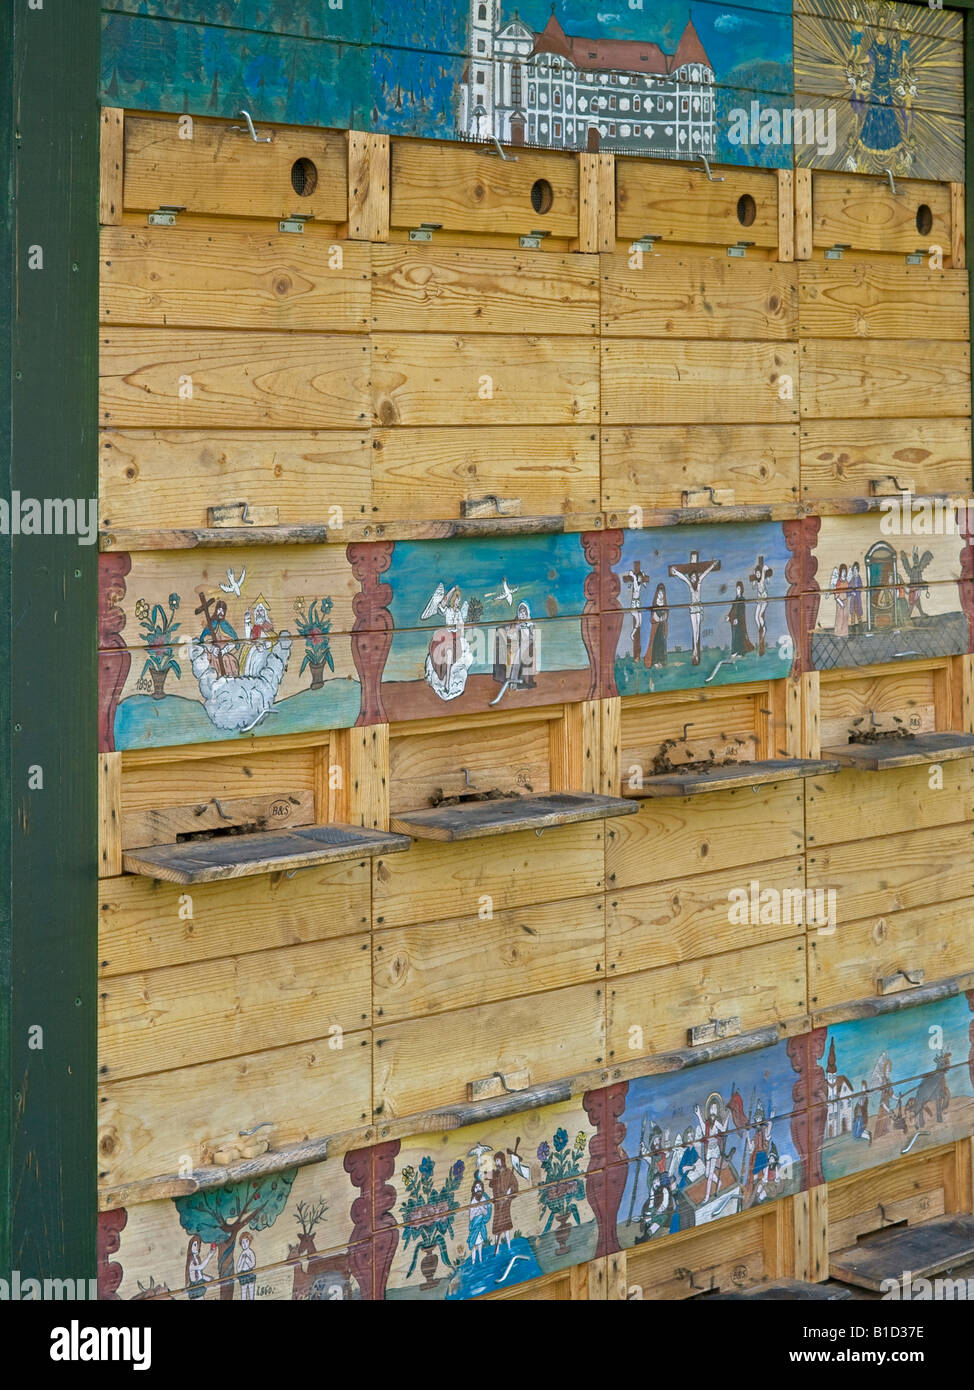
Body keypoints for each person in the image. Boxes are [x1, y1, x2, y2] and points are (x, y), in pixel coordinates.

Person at [489, 1151, 518, 1254]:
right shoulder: (495, 1173)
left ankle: (509, 1246)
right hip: (497, 1203)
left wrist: (510, 1191)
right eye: (495, 1160)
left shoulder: (508, 1172)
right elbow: (489, 1182)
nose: (497, 1162)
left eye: (498, 1160)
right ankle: (496, 1249)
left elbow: (514, 1185)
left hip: (505, 1202)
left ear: (502, 1160)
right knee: (497, 1226)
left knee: (506, 1225)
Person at [466, 1179, 492, 1265]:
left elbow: (486, 1212)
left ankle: (480, 1259)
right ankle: (473, 1261)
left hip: (480, 1226)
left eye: (479, 1187)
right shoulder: (473, 1200)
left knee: (480, 1243)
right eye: (476, 1187)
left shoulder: (484, 1198)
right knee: (473, 1245)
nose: (478, 1189)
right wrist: (477, 1212)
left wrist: (480, 1207)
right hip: (474, 1226)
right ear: (474, 1189)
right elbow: (471, 1216)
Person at [646, 583, 668, 668]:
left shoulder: (665, 603)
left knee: (662, 644)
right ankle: (655, 661)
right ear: (657, 593)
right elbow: (652, 617)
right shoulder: (655, 603)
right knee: (655, 644)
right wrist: (657, 618)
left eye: (662, 593)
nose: (661, 595)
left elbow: (666, 615)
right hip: (656, 628)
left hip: (662, 627)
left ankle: (661, 662)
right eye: (659, 593)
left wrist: (663, 617)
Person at [185, 1236, 214, 1300]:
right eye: (195, 1245)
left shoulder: (197, 1259)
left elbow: (199, 1274)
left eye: (198, 1245)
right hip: (195, 1287)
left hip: (199, 1286)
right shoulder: (190, 1261)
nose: (197, 1247)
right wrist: (209, 1256)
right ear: (191, 1246)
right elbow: (200, 1267)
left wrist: (209, 1279)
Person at [236, 1233, 257, 1300]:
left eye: (246, 1241)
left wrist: (247, 1260)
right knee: (243, 1292)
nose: (244, 1244)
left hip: (249, 1273)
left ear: (249, 1242)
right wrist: (242, 1260)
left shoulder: (250, 1252)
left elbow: (252, 1264)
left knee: (251, 1292)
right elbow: (238, 1269)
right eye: (242, 1242)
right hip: (243, 1274)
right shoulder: (242, 1254)